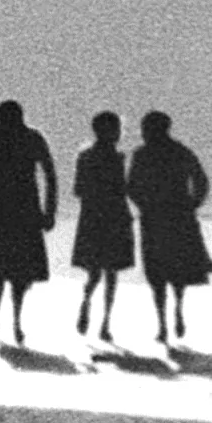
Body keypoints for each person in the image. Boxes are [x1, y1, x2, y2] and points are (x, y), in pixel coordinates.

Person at [0, 98, 57, 345]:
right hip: (25, 210)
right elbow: (50, 175)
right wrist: (48, 211)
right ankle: (16, 320)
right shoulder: (32, 138)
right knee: (21, 269)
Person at [126, 109, 212, 344]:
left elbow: (131, 186)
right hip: (178, 217)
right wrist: (192, 204)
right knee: (177, 269)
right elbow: (201, 181)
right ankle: (176, 311)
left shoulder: (142, 154)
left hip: (155, 218)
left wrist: (144, 204)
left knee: (157, 272)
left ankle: (164, 323)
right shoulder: (180, 151)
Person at [70, 110, 135, 341]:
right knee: (112, 273)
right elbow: (123, 190)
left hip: (91, 218)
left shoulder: (85, 156)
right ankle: (105, 323)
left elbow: (78, 190)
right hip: (115, 218)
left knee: (94, 272)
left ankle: (87, 301)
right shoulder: (118, 158)